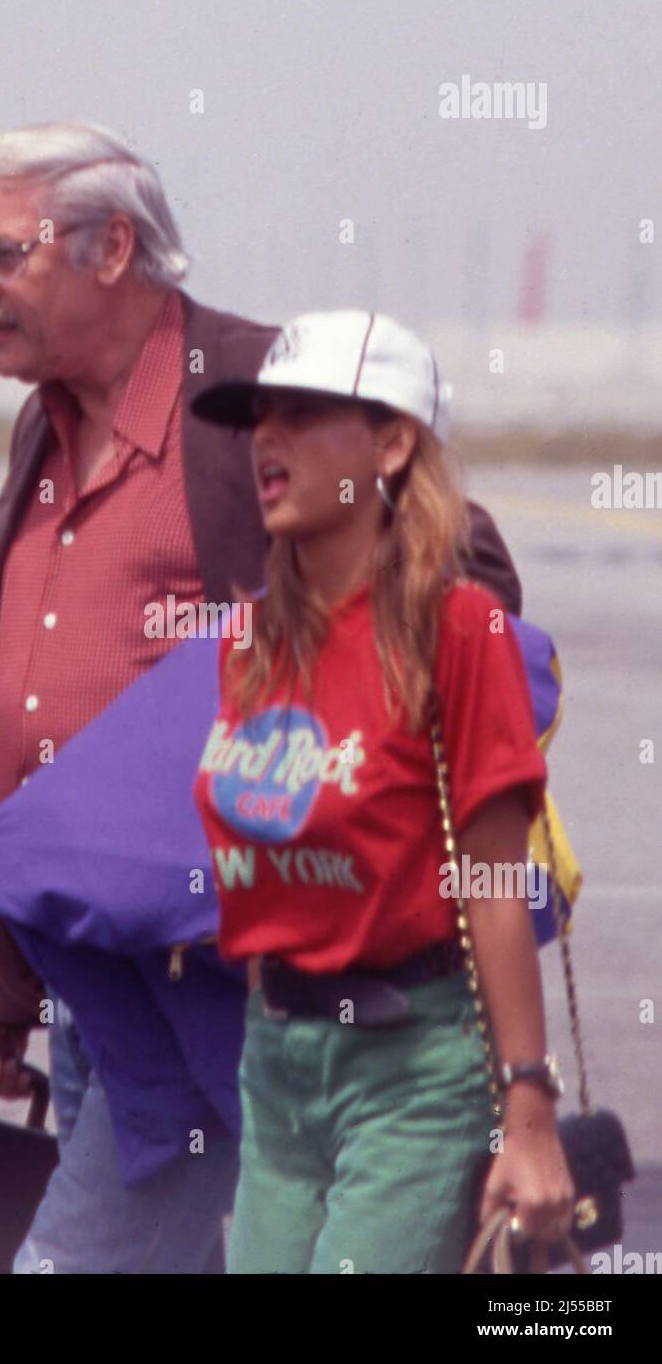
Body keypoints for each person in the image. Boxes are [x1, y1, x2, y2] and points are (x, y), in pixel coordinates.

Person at [0, 122, 523, 1274]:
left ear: (111, 248)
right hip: (97, 975)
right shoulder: (47, 423)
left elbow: (461, 575)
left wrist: (299, 753)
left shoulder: (250, 393)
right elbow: (31, 724)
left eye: (0, 254)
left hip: (219, 988)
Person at [191, 309, 575, 1273]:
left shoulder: (459, 628)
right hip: (274, 1065)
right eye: (259, 417)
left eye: (303, 412)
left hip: (410, 1067)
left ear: (392, 443)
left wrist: (527, 1108)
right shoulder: (248, 641)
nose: (264, 440)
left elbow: (496, 887)